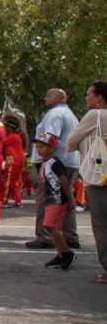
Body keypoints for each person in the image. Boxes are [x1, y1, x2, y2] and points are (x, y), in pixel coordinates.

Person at [26, 89, 80, 250]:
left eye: (49, 95)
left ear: (59, 97)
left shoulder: (54, 114)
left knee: (45, 199)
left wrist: (46, 160)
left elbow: (50, 139)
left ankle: (45, 236)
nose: (45, 98)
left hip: (56, 162)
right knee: (66, 198)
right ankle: (70, 236)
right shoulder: (70, 114)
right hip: (70, 160)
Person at [67, 81, 107, 284]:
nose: (86, 98)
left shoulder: (96, 115)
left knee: (101, 224)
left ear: (99, 97)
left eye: (89, 94)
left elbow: (71, 141)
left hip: (100, 177)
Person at [34, 133, 76, 269]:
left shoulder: (55, 163)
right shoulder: (45, 163)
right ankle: (61, 254)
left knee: (49, 225)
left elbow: (65, 182)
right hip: (50, 200)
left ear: (52, 148)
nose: (38, 149)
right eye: (37, 147)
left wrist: (71, 200)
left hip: (58, 199)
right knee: (52, 227)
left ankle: (67, 253)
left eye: (42, 147)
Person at [1, 115, 26, 208]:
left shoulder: (12, 136)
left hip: (13, 160)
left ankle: (4, 200)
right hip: (18, 160)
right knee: (16, 181)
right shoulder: (16, 136)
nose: (5, 128)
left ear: (11, 128)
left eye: (6, 127)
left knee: (8, 181)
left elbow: (1, 142)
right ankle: (17, 200)